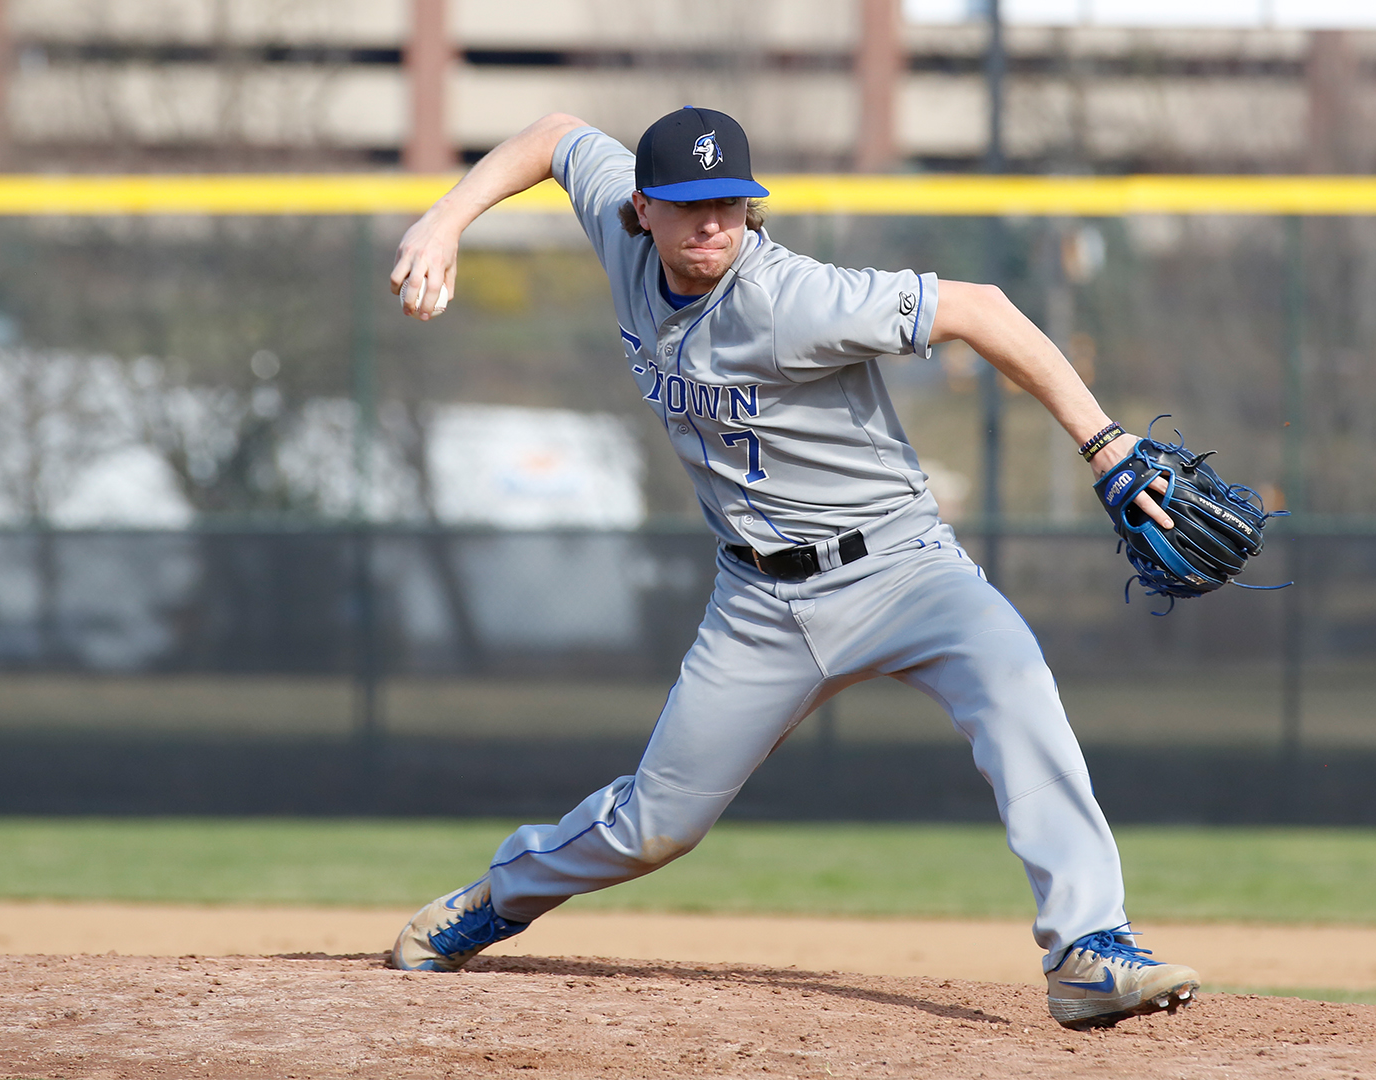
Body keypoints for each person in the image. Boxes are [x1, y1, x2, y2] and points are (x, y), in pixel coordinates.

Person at [385, 107, 1198, 1030]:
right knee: (656, 827)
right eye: (690, 207)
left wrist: (1102, 444)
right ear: (641, 210)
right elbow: (557, 134)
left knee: (1018, 688)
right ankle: (494, 901)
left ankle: (1088, 945)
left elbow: (980, 308)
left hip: (902, 567)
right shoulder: (624, 238)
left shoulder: (793, 298)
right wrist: (446, 217)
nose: (713, 225)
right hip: (761, 601)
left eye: (730, 204)